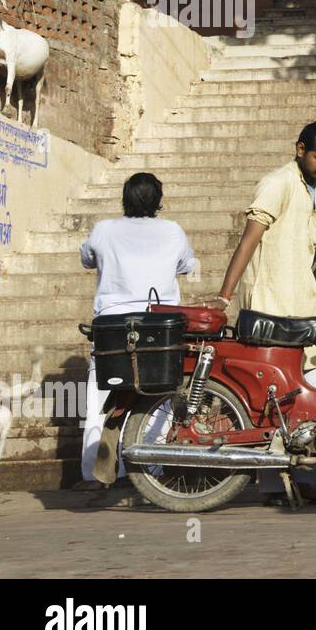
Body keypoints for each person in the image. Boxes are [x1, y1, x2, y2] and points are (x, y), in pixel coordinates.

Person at [212, 120, 316, 506]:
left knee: (312, 392)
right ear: (300, 149)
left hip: (300, 305)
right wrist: (224, 296)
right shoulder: (276, 182)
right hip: (268, 304)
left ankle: (311, 482)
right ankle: (273, 488)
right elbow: (248, 240)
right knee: (269, 400)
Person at [77, 173, 197, 492]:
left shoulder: (104, 229)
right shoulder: (172, 230)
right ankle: (152, 470)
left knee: (98, 400)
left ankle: (95, 476)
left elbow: (87, 257)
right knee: (158, 400)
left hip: (113, 329)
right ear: (159, 200)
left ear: (124, 199)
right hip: (158, 328)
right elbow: (186, 265)